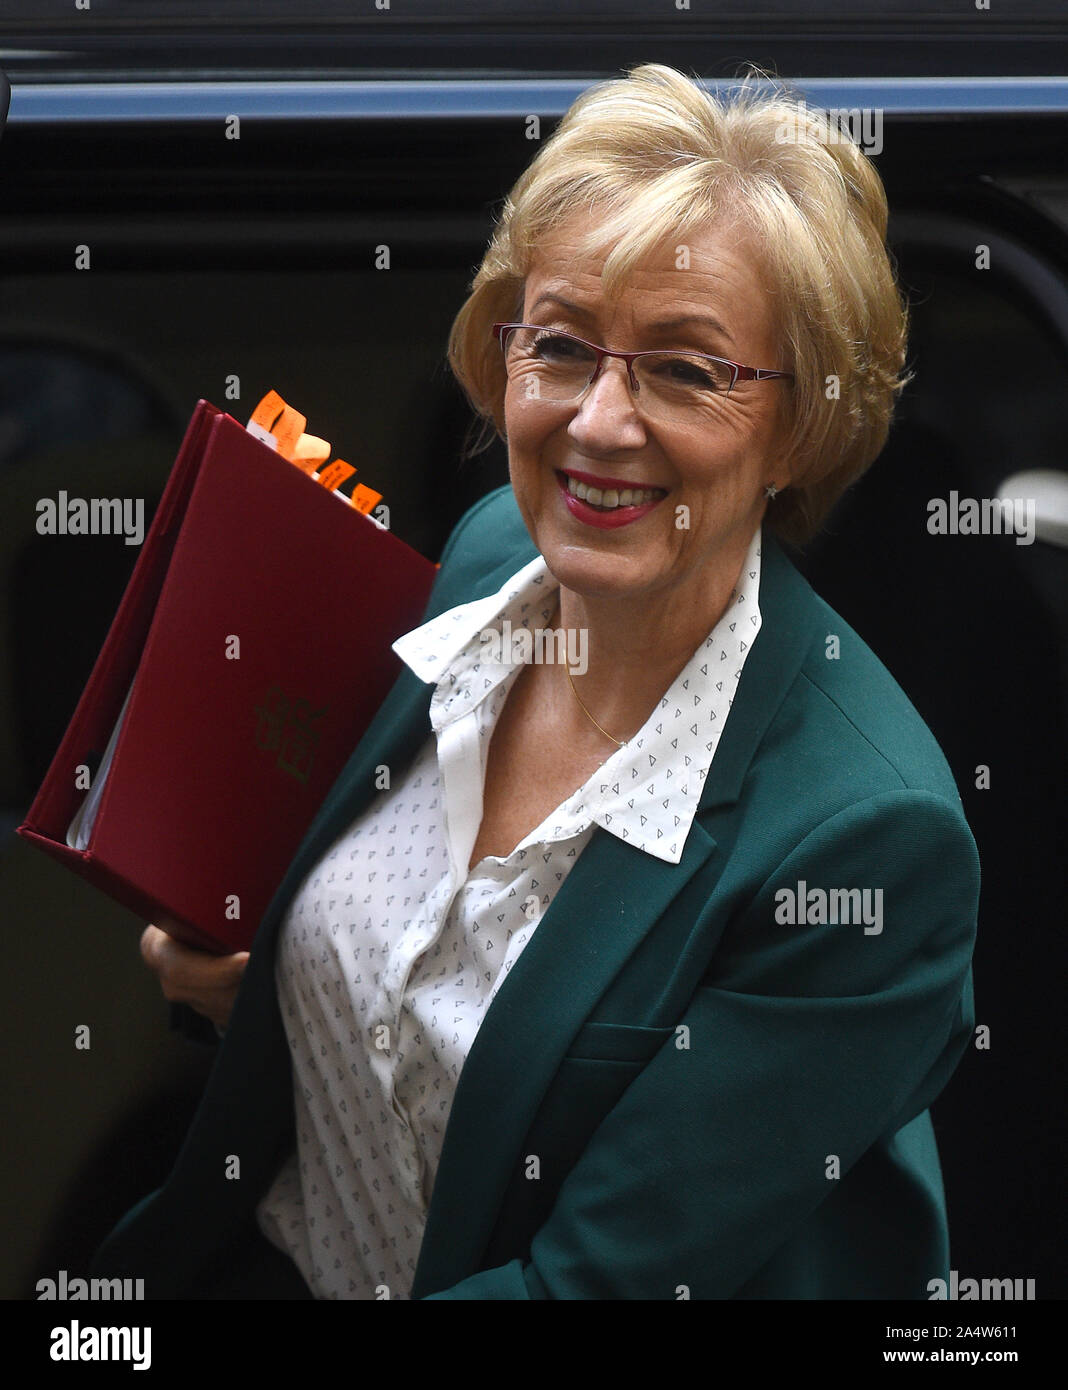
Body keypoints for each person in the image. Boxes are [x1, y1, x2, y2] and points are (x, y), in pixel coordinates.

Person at [94, 63, 978, 1300]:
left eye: (686, 369)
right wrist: (250, 985)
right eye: (560, 345)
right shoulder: (488, 556)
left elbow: (588, 1289)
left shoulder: (868, 843)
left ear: (801, 431)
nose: (600, 424)